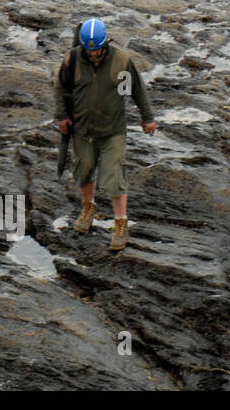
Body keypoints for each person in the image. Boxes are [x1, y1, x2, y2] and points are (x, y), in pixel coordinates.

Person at [53, 17, 158, 251]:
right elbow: (61, 88)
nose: (93, 55)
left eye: (97, 51)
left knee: (114, 177)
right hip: (81, 129)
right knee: (84, 170)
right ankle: (88, 208)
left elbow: (136, 90)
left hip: (112, 131)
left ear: (105, 43)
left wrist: (147, 118)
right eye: (89, 51)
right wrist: (62, 116)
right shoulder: (72, 60)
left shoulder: (121, 60)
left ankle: (121, 224)